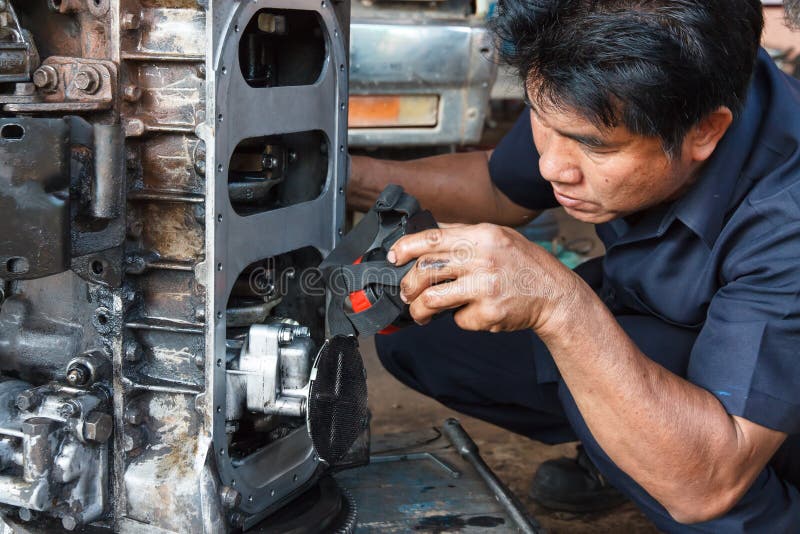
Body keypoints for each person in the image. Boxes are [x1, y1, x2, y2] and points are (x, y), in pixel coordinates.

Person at [347, 0, 800, 531]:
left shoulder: (785, 213)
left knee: (651, 416)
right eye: (541, 120)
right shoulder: (607, 78)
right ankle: (621, 450)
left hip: (761, 415)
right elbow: (500, 186)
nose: (551, 167)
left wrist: (559, 308)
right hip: (655, 310)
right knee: (423, 330)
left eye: (593, 147)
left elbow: (708, 485)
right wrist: (337, 174)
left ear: (704, 132)